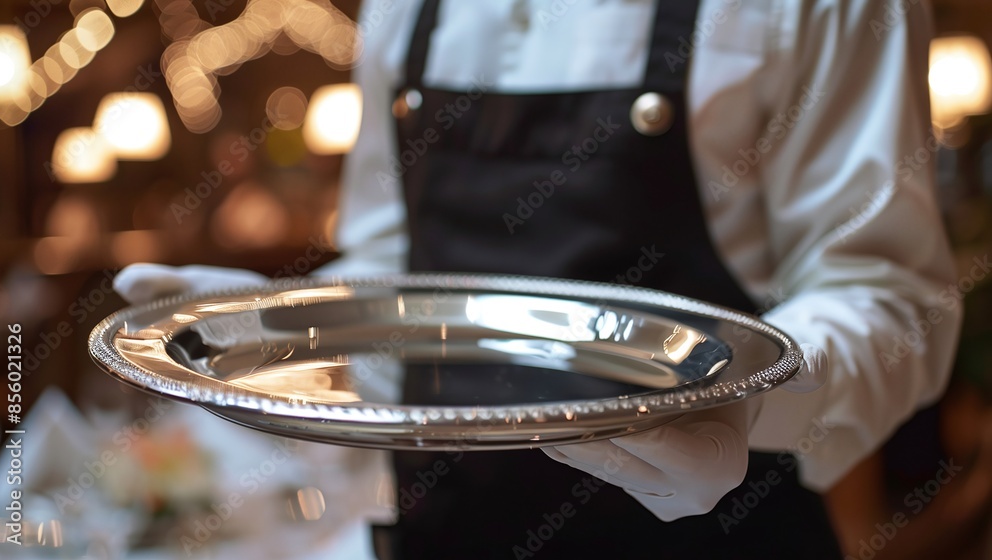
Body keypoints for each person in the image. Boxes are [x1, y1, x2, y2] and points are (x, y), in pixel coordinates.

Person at [115, 0, 961, 557]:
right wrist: (279, 327)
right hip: (442, 534)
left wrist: (751, 402)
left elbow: (891, 297)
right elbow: (395, 270)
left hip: (722, 534)